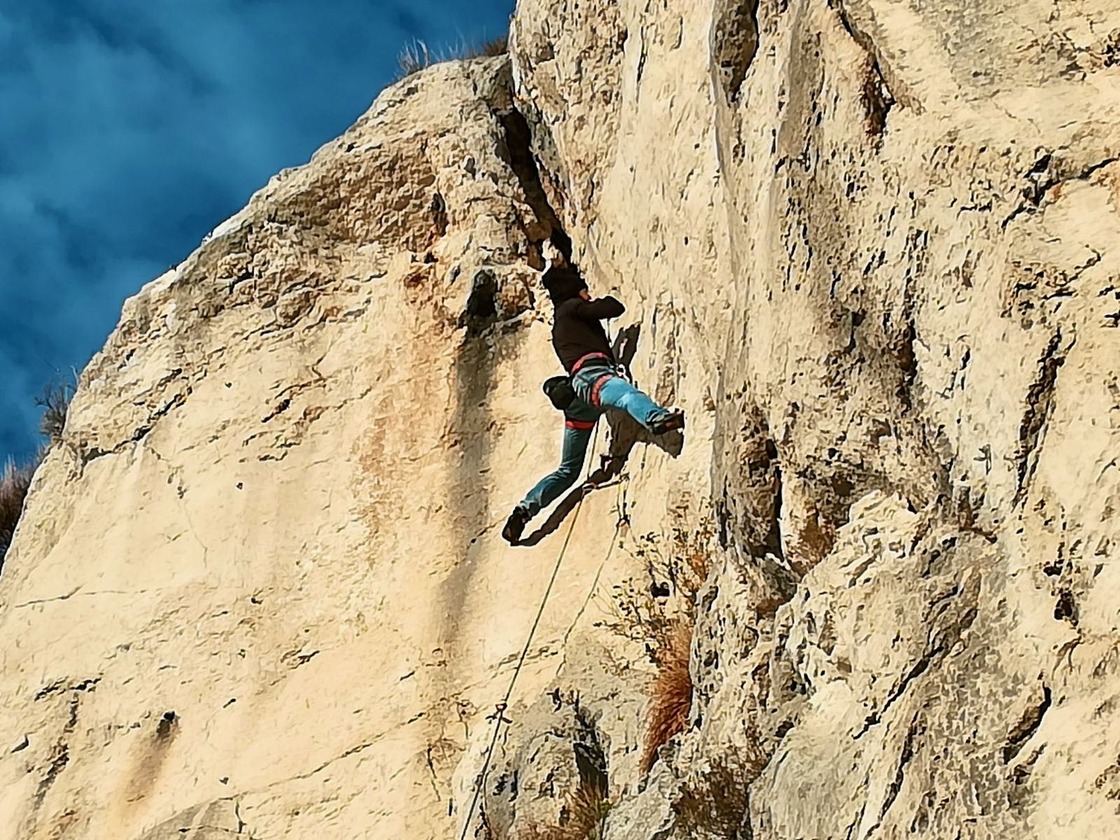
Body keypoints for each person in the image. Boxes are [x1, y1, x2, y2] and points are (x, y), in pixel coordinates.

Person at [501, 264, 684, 545]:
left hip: (579, 398)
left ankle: (524, 511)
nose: (586, 292)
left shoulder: (559, 325)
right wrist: (590, 300)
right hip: (594, 378)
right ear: (573, 290)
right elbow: (614, 308)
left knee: (568, 470)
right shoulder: (572, 308)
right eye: (582, 289)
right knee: (625, 396)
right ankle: (656, 418)